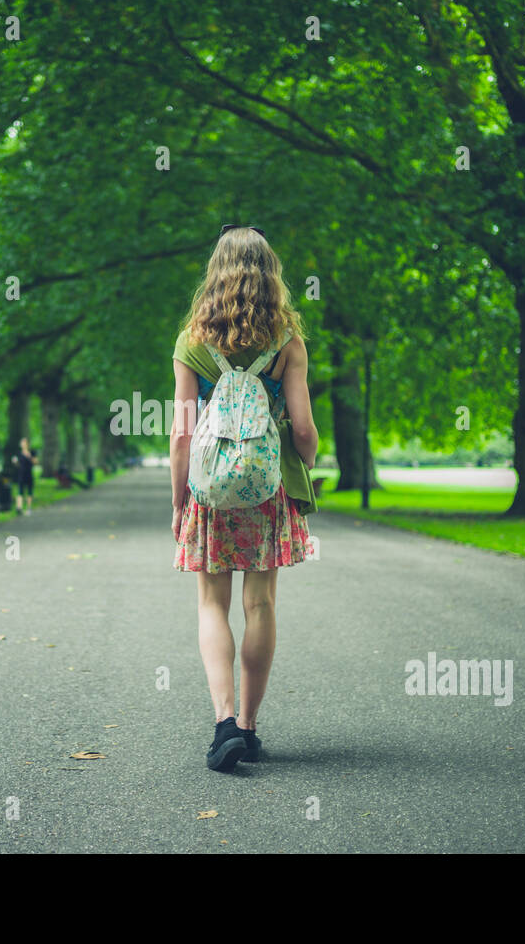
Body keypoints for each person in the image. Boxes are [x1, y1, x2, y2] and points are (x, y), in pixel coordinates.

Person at [169, 224, 319, 772]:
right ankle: (251, 729)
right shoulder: (287, 342)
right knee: (261, 605)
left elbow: (182, 432)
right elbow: (302, 433)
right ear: (269, 275)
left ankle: (224, 722)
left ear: (217, 273)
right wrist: (311, 454)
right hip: (265, 487)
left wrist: (179, 499)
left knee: (213, 604)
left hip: (209, 490)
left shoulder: (192, 341)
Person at [11, 437, 36, 515]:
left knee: (29, 492)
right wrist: (15, 462)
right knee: (20, 491)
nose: (23, 445)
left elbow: (35, 462)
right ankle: (19, 507)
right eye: (22, 443)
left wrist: (29, 456)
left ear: (28, 444)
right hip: (21, 474)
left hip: (29, 474)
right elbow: (17, 465)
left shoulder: (32, 452)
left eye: (24, 443)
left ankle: (29, 508)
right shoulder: (18, 453)